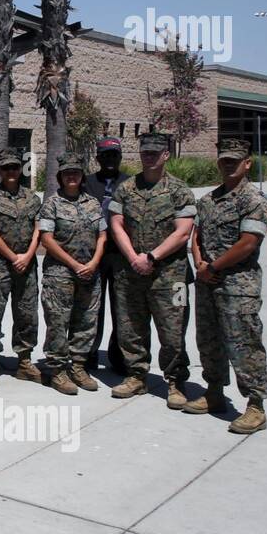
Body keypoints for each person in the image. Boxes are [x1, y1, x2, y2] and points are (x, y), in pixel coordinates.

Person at [187, 138, 267, 434]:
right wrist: (199, 263)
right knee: (208, 340)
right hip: (207, 282)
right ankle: (214, 392)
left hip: (238, 285)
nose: (228, 165)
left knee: (244, 343)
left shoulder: (254, 201)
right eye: (224, 160)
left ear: (247, 164)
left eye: (234, 161)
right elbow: (196, 237)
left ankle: (255, 406)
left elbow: (248, 243)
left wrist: (213, 267)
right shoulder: (208, 200)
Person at [107, 132, 197, 406]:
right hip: (130, 272)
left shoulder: (179, 190)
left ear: (166, 155)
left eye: (155, 153)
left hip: (172, 277)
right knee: (130, 328)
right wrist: (134, 258)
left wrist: (151, 257)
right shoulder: (126, 188)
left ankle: (175, 381)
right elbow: (116, 224)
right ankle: (136, 376)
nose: (149, 157)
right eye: (145, 152)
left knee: (173, 331)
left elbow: (183, 233)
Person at [38, 153, 106, 395]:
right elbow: (47, 239)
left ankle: (77, 366)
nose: (71, 177)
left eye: (75, 172)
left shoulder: (93, 203)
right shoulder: (52, 203)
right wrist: (74, 264)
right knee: (58, 322)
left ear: (81, 175)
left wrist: (94, 262)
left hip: (90, 273)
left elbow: (102, 235)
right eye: (67, 173)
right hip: (60, 274)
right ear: (60, 176)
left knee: (86, 321)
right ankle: (57, 370)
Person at [0, 146, 42, 391]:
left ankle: (24, 361)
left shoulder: (32, 198)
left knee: (27, 313)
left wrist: (28, 255)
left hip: (26, 265)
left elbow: (38, 230)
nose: (11, 172)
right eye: (6, 168)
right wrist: (14, 257)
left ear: (20, 168)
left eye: (14, 167)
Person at [83, 137, 130, 376]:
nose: (110, 159)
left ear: (120, 157)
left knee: (122, 308)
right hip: (94, 254)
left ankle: (119, 356)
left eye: (114, 155)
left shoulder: (130, 183)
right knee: (92, 306)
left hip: (121, 255)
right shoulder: (87, 183)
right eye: (105, 155)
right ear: (97, 158)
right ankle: (89, 353)